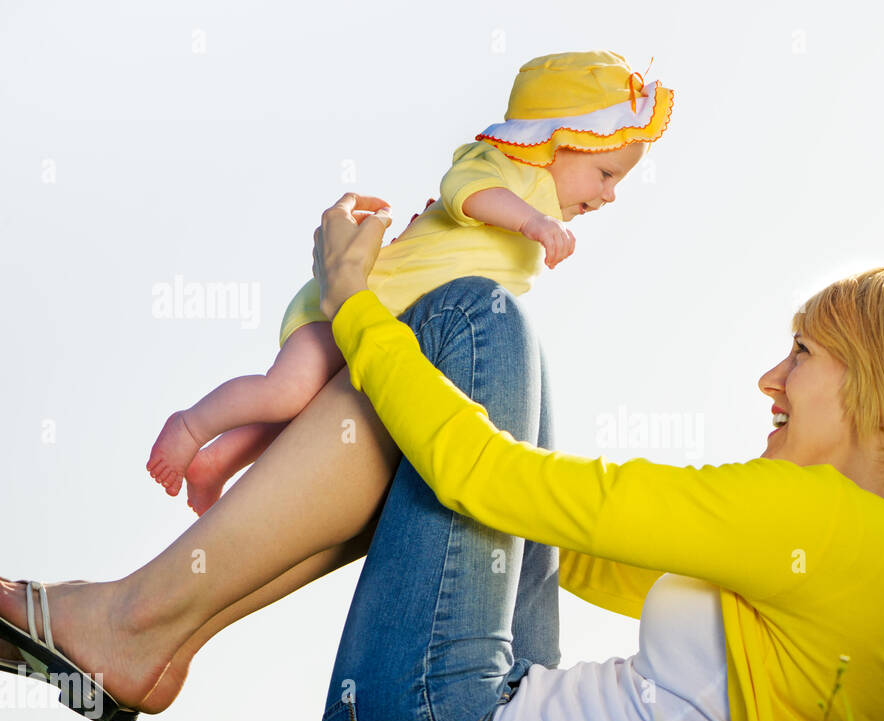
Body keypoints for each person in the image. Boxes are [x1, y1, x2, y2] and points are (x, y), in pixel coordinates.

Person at [0, 193, 884, 721]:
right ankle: (144, 634)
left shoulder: (803, 521)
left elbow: (495, 486)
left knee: (476, 321)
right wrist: (423, 441)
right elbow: (544, 532)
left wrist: (354, 302)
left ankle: (134, 623)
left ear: (877, 386)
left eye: (801, 354)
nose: (768, 378)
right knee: (449, 417)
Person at [145, 50, 672, 517]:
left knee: (302, 417)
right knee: (287, 392)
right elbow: (463, 190)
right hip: (353, 299)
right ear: (560, 140)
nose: (609, 196)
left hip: (382, 333)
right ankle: (190, 427)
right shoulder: (507, 169)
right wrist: (532, 222)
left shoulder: (534, 206)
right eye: (606, 174)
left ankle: (216, 463)